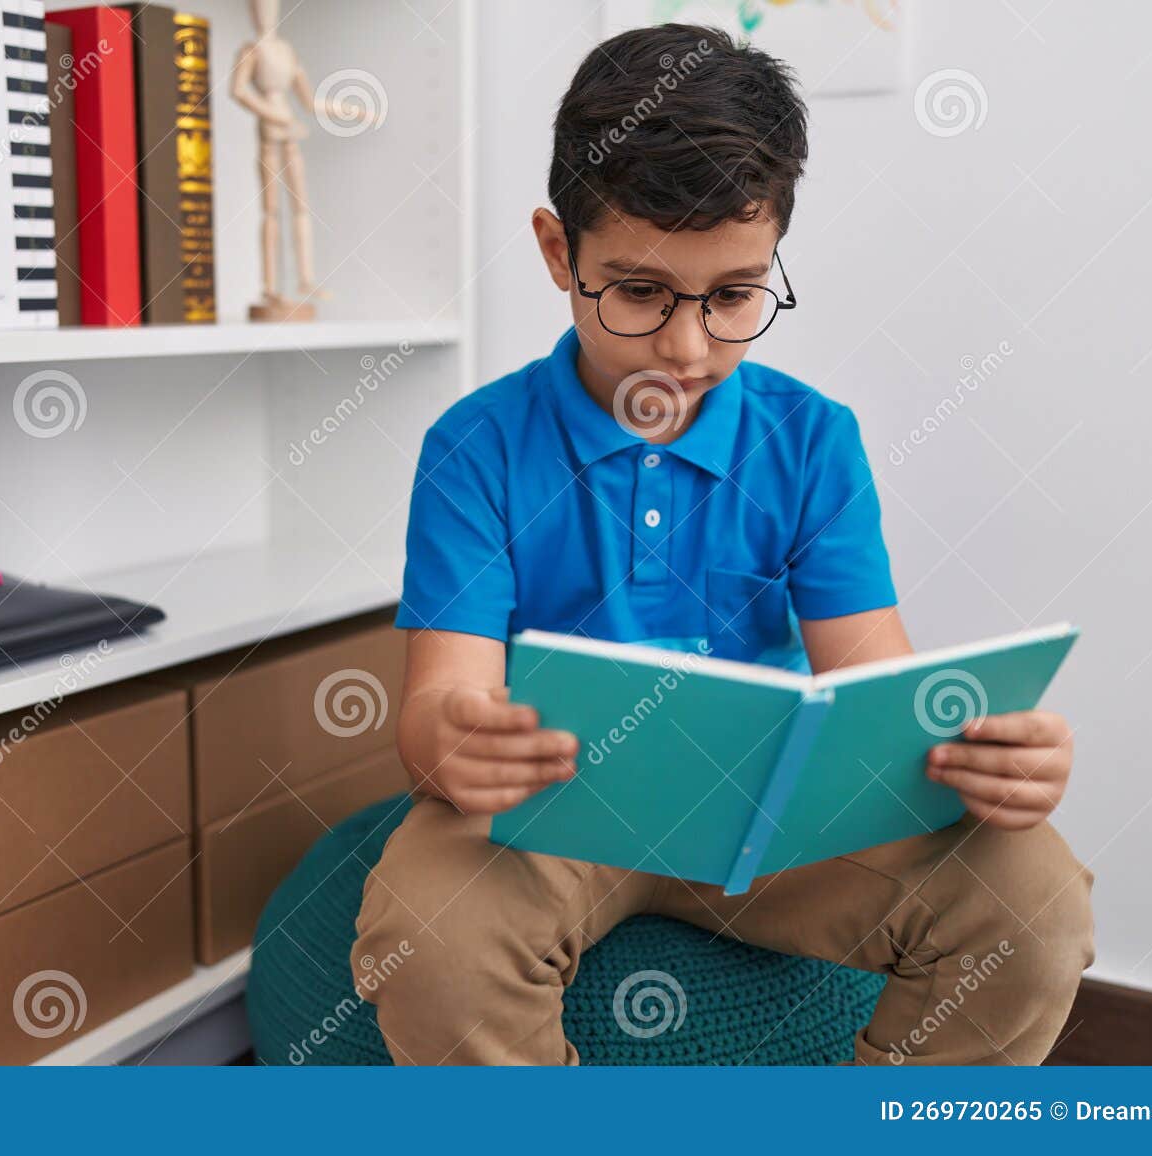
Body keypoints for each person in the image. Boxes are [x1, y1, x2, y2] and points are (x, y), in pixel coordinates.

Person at [353, 22, 1094, 1066]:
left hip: (775, 825)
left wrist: (976, 758)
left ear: (772, 262)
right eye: (642, 292)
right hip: (553, 815)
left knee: (1036, 898)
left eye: (735, 295)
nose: (687, 345)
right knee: (427, 934)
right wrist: (455, 746)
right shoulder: (476, 445)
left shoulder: (811, 439)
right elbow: (435, 706)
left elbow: (871, 683)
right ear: (558, 251)